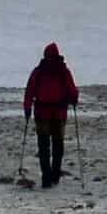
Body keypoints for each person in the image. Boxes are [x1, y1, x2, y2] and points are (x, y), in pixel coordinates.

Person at [24, 42, 79, 186]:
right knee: (57, 145)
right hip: (59, 114)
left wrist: (27, 107)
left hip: (42, 113)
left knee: (43, 146)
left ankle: (46, 177)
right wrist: (74, 99)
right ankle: (55, 175)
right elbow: (72, 89)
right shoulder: (63, 70)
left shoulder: (39, 70)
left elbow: (29, 90)